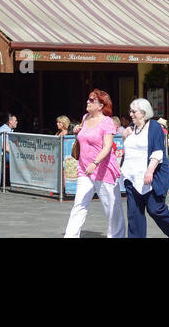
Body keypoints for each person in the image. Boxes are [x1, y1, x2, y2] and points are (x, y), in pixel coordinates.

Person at [63, 89, 123, 238]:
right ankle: (70, 235)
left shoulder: (107, 122)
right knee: (79, 204)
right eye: (88, 99)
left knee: (111, 208)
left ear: (101, 105)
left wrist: (95, 163)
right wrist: (78, 131)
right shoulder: (85, 117)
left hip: (103, 170)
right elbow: (85, 139)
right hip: (84, 169)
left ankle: (116, 236)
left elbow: (107, 147)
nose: (87, 102)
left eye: (91, 100)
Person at [121, 98, 169, 238]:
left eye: (134, 111)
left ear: (143, 112)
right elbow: (130, 149)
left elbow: (158, 151)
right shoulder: (131, 128)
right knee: (134, 215)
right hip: (132, 178)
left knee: (155, 210)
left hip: (151, 177)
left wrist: (149, 171)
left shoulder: (154, 127)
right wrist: (124, 137)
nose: (131, 114)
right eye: (130, 111)